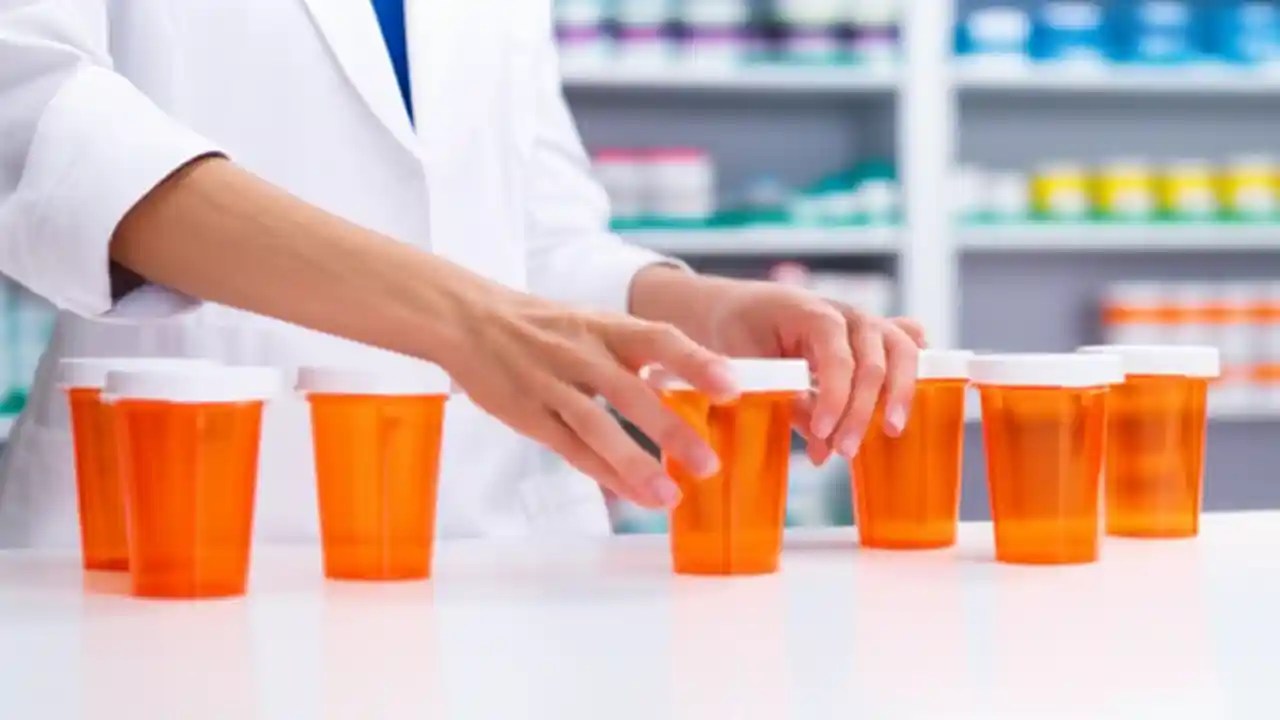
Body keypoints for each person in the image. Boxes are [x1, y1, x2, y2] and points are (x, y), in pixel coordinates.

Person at [0, 0, 923, 546]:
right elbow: (37, 120)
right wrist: (461, 320)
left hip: (501, 543)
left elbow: (536, 231)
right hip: (182, 543)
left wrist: (703, 312)